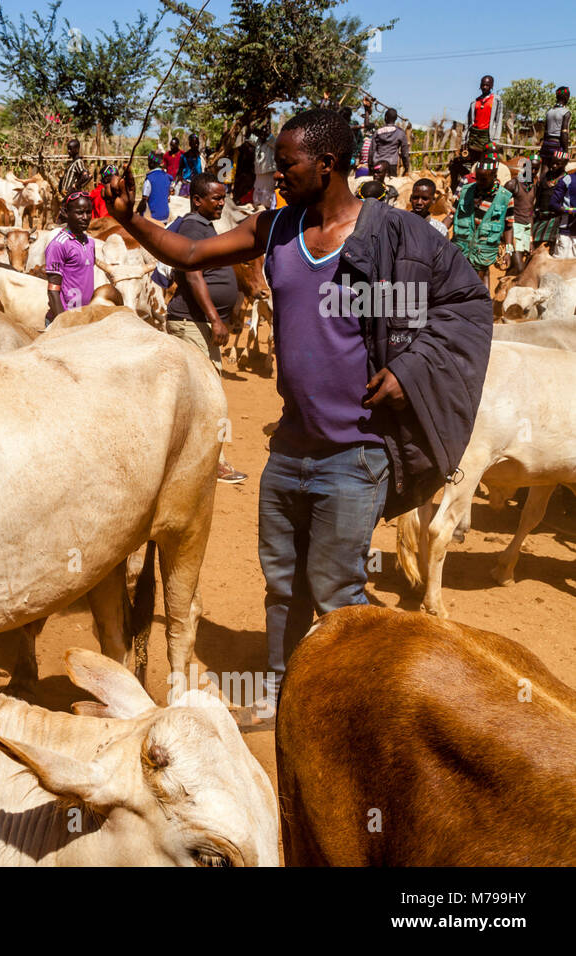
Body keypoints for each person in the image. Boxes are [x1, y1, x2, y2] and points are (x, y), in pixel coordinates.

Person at [100, 107, 493, 715]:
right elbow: (187, 250)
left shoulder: (393, 236)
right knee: (283, 589)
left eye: (287, 165)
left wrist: (410, 371)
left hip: (356, 452)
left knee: (338, 591)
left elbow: (465, 304)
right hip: (289, 451)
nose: (276, 175)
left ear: (328, 164)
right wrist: (129, 219)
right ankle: (286, 699)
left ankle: (357, 714)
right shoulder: (275, 229)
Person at [163, 171, 247, 484]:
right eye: (215, 198)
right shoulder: (193, 227)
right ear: (197, 200)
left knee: (208, 393)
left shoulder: (204, 227)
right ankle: (214, 462)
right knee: (209, 396)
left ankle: (206, 458)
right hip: (192, 323)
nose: (221, 203)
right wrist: (215, 318)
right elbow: (192, 275)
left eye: (223, 198)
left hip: (199, 324)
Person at [451, 152, 514, 281]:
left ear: (494, 176)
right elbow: (452, 215)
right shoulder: (466, 191)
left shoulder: (505, 198)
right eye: (477, 177)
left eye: (484, 179)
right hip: (462, 247)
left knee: (481, 279)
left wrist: (508, 251)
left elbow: (509, 226)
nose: (479, 182)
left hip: (483, 252)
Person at [44, 192, 96, 326]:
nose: (85, 217)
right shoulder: (59, 244)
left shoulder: (90, 242)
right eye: (79, 213)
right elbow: (53, 291)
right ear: (66, 213)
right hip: (64, 321)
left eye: (88, 212)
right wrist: (64, 324)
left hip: (83, 319)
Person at [506, 153, 538, 271]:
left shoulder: (533, 187)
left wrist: (530, 238)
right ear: (525, 166)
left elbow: (530, 213)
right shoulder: (512, 184)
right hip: (514, 229)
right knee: (519, 268)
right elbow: (500, 207)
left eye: (536, 169)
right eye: (531, 168)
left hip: (526, 229)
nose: (533, 171)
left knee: (525, 267)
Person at [466, 75, 502, 164]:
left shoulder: (496, 100)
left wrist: (496, 139)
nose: (484, 87)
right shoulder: (475, 102)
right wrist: (465, 138)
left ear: (491, 86)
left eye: (487, 85)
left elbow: (498, 120)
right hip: (474, 135)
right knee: (473, 161)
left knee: (486, 160)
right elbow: (468, 121)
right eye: (483, 85)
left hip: (487, 136)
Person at [369, 108, 410, 178]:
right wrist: (406, 168)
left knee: (377, 186)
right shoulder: (400, 133)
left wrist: (370, 165)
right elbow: (405, 153)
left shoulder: (377, 132)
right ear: (396, 118)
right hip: (391, 165)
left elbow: (372, 151)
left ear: (385, 117)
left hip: (377, 164)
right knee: (390, 185)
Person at [540, 86, 571, 180]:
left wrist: (543, 146)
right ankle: (554, 191)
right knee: (559, 170)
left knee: (544, 168)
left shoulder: (549, 112)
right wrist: (565, 151)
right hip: (557, 144)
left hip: (547, 143)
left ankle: (541, 189)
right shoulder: (566, 112)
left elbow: (545, 132)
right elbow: (564, 133)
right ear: (566, 98)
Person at [550, 167, 576, 258]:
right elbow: (553, 203)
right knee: (560, 264)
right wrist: (571, 210)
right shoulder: (567, 179)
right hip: (566, 231)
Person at [140, 152, 172, 221]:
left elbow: (144, 198)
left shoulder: (150, 178)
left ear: (151, 163)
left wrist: (139, 212)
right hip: (165, 216)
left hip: (154, 218)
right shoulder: (167, 177)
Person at [59, 139, 91, 204]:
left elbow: (86, 176)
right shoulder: (72, 162)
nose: (68, 151)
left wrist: (76, 186)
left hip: (72, 197)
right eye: (68, 149)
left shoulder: (78, 162)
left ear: (76, 149)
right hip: (66, 196)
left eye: (70, 149)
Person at [252, 126, 277, 208]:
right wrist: (252, 129)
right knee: (257, 189)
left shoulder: (273, 141)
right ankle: (257, 205)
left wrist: (265, 133)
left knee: (267, 191)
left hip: (269, 171)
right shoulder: (258, 142)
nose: (262, 134)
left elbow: (270, 139)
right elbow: (250, 138)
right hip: (259, 171)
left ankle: (266, 207)